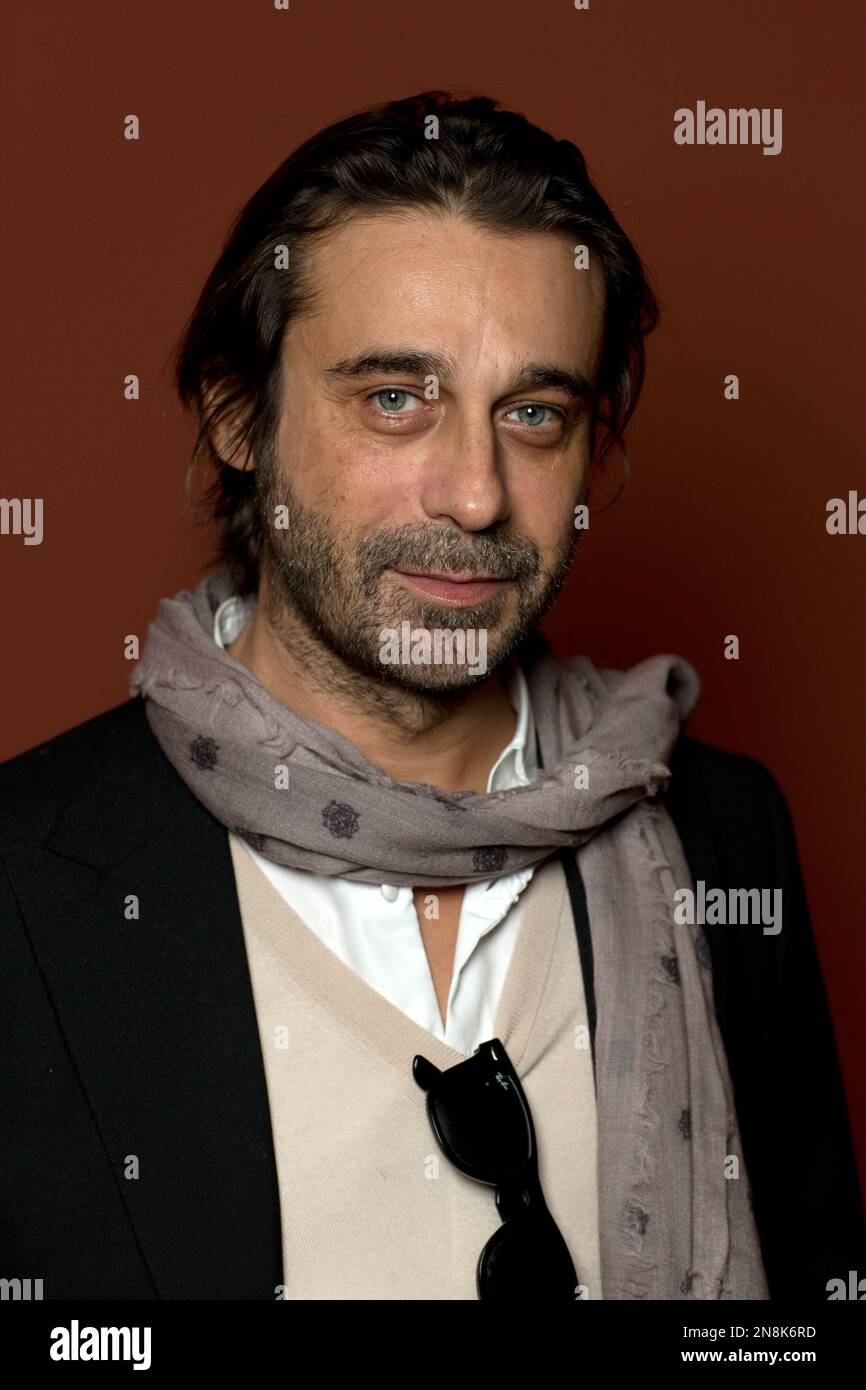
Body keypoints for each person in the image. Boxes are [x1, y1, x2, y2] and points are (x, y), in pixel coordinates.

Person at [1, 90, 863, 1302]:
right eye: (394, 398)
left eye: (533, 413)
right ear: (239, 416)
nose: (473, 494)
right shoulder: (26, 882)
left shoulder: (719, 832)